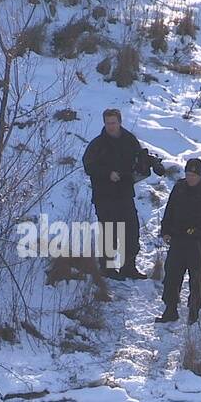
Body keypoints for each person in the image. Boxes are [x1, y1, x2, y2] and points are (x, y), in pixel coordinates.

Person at [82, 108, 148, 280]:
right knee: (109, 232)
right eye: (107, 123)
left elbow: (138, 158)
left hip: (125, 193)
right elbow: (88, 166)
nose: (110, 126)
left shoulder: (130, 140)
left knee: (131, 232)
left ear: (120, 122)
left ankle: (129, 267)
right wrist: (107, 173)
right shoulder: (97, 144)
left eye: (113, 122)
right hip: (104, 195)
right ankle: (108, 268)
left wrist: (145, 165)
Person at [156, 158, 201, 325]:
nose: (190, 178)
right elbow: (169, 210)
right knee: (171, 275)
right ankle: (170, 309)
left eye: (194, 175)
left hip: (197, 244)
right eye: (188, 174)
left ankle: (194, 311)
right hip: (178, 240)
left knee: (198, 279)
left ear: (200, 175)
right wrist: (165, 231)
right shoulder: (179, 188)